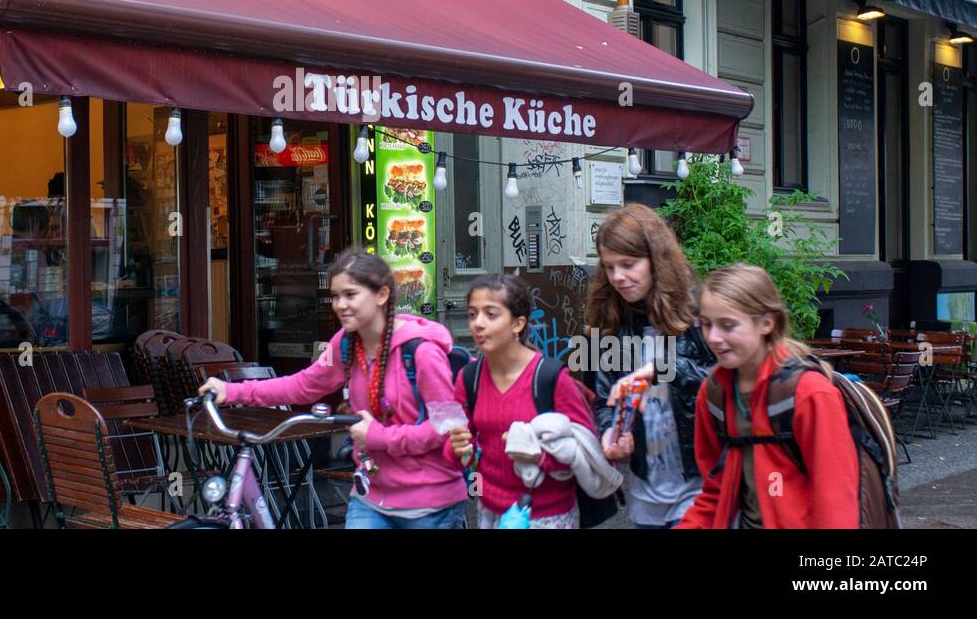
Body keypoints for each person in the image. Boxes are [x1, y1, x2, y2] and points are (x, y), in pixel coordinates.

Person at [197, 248, 466, 529]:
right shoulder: (346, 343)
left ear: (382, 295)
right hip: (371, 497)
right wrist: (233, 391)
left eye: (350, 294)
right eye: (335, 296)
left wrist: (378, 437)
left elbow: (447, 427)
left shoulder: (422, 351)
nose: (340, 305)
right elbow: (303, 386)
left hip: (429, 505)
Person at [676, 264, 859, 529]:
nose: (713, 337)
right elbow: (716, 490)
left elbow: (836, 505)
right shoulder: (713, 393)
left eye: (728, 325)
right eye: (706, 324)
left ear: (766, 323)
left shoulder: (810, 393)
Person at [587, 204, 715, 529]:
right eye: (609, 266)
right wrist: (610, 435)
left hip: (700, 487)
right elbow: (602, 401)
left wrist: (663, 366)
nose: (618, 277)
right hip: (645, 494)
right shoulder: (607, 326)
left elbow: (726, 383)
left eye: (628, 264)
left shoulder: (700, 315)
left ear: (656, 261)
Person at [446, 274, 609, 529]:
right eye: (472, 314)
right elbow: (458, 456)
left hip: (545, 515)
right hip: (490, 511)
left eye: (491, 314)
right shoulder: (469, 378)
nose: (477, 324)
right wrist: (458, 449)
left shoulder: (550, 378)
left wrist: (536, 456)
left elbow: (587, 451)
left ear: (518, 324)